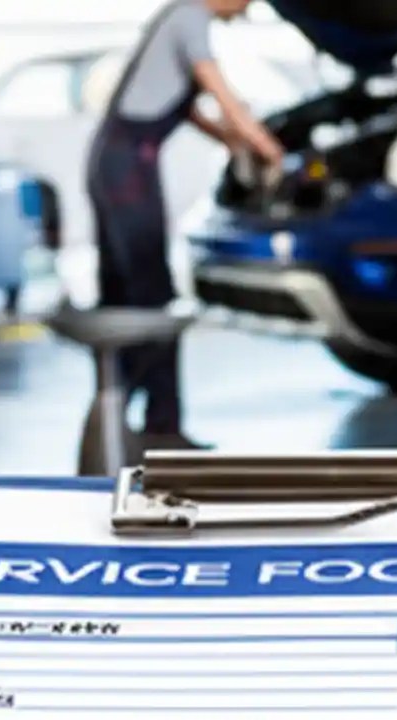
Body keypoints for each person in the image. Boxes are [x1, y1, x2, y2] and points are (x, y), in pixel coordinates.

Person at [86, 0, 285, 450]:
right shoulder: (190, 19)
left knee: (124, 293)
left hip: (111, 163)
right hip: (128, 169)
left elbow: (191, 110)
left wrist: (232, 141)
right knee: (152, 295)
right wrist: (269, 149)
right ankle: (161, 425)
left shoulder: (173, 17)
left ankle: (120, 417)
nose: (247, 9)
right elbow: (222, 93)